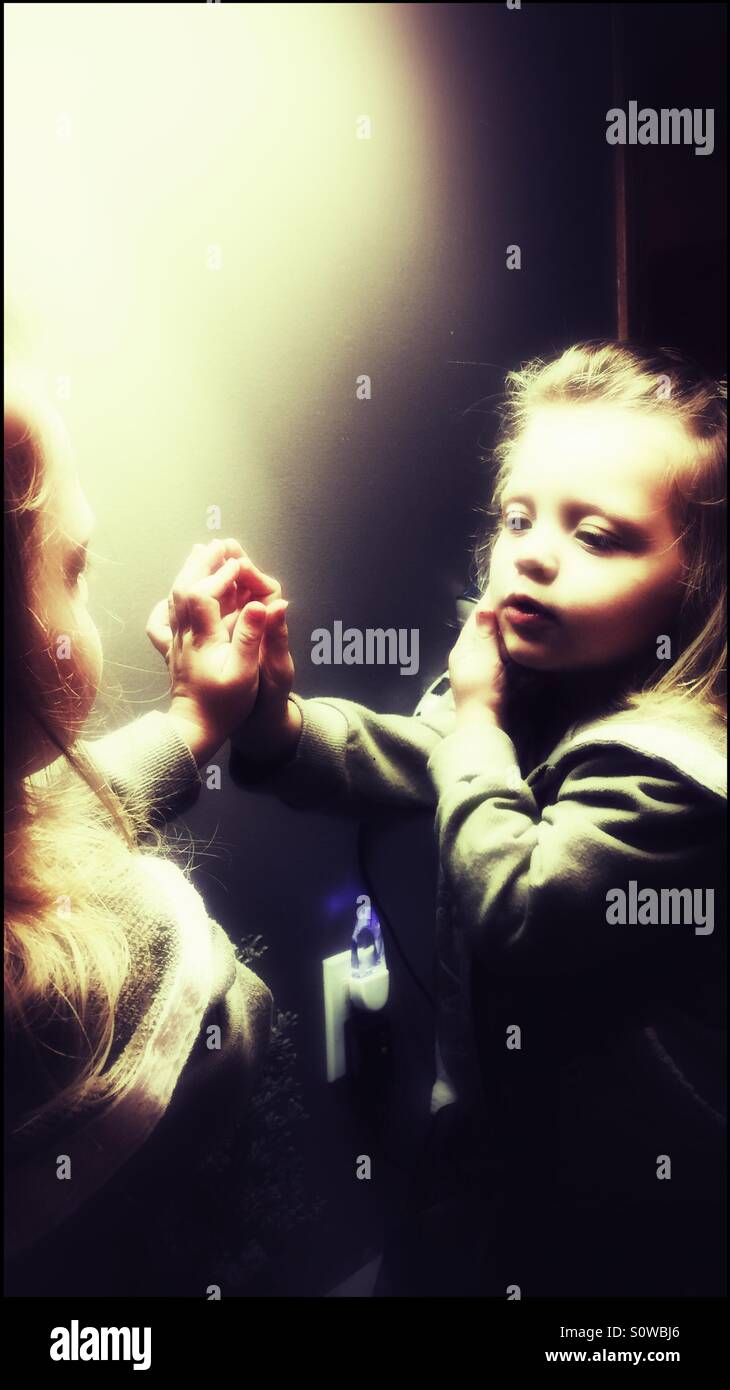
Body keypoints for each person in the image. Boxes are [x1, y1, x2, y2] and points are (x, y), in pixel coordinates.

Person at [203, 341, 726, 1296]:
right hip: (517, 1146)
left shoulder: (679, 769)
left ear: (697, 589)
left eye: (597, 535)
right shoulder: (533, 692)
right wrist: (271, 718)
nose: (531, 551)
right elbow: (406, 753)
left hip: (642, 1182)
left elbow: (520, 906)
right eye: (518, 517)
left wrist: (480, 720)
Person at [4, 363, 297, 1295]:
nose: (91, 580)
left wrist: (190, 718)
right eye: (75, 568)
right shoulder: (134, 980)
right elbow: (237, 1019)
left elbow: (49, 835)